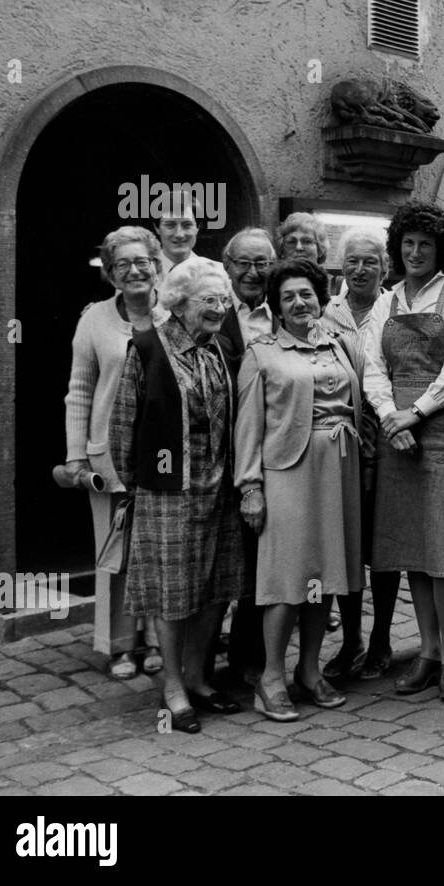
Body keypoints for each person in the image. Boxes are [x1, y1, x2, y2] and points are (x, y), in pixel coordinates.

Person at [109, 257, 245, 733]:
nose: (220, 308)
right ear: (181, 302)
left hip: (220, 490)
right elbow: (123, 424)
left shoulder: (224, 350)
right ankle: (172, 686)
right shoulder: (147, 348)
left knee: (213, 590)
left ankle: (198, 677)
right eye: (210, 300)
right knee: (172, 595)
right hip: (167, 494)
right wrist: (138, 484)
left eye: (224, 300)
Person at [362, 201, 444, 702]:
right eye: (408, 244)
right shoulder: (385, 302)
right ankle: (428, 652)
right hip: (398, 436)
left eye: (425, 245)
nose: (415, 253)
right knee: (414, 546)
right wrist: (391, 416)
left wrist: (418, 412)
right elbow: (371, 365)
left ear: (441, 250)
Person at [235, 259, 366, 721]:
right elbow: (247, 428)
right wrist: (250, 486)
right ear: (276, 304)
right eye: (288, 296)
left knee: (325, 577)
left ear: (321, 297)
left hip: (340, 468)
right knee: (287, 580)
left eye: (306, 294)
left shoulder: (338, 345)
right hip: (289, 471)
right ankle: (271, 677)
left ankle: (309, 671)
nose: (298, 303)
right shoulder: (261, 353)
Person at [63, 226, 169, 679]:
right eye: (121, 264)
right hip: (109, 457)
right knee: (115, 553)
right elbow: (80, 389)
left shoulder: (173, 314)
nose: (133, 271)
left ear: (156, 265)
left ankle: (155, 639)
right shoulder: (94, 320)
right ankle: (120, 645)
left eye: (141, 261)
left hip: (166, 453)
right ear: (109, 273)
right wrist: (76, 456)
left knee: (160, 551)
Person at [320, 227, 389, 681]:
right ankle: (352, 638)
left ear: (384, 267)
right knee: (347, 546)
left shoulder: (396, 307)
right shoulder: (326, 314)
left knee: (384, 546)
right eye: (353, 262)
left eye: (370, 262)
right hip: (342, 445)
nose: (361, 269)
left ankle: (382, 638)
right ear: (340, 268)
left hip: (391, 442)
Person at [214, 227, 278, 684]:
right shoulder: (211, 310)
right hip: (215, 456)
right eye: (244, 263)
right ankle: (196, 667)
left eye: (262, 263)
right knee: (216, 564)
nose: (253, 273)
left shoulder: (289, 311)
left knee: (261, 566)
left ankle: (248, 663)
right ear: (227, 265)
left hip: (273, 453)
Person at [157, 189, 200, 275]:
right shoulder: (141, 274)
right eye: (170, 225)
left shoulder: (220, 273)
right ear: (157, 228)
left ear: (197, 227)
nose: (179, 234)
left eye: (187, 225)